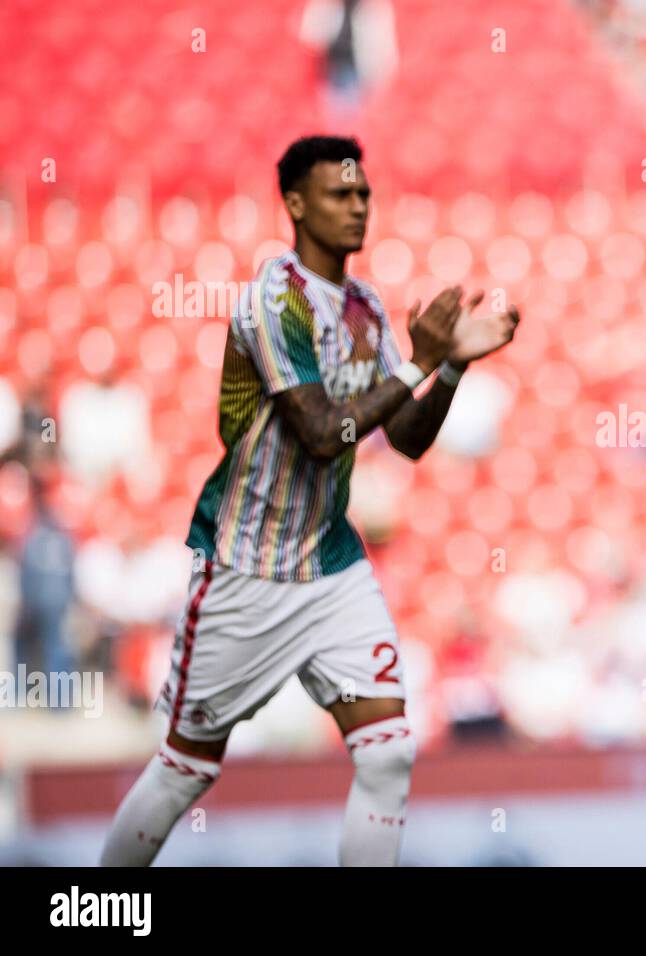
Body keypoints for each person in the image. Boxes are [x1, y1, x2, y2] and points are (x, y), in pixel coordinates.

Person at [100, 135, 520, 866]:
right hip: (245, 565)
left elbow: (409, 439)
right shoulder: (274, 299)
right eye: (338, 194)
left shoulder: (364, 308)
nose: (358, 207)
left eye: (363, 193)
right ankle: (99, 907)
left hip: (330, 562)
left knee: (388, 752)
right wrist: (419, 358)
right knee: (184, 770)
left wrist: (449, 368)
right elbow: (325, 433)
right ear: (295, 204)